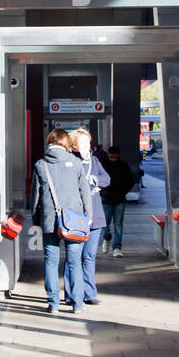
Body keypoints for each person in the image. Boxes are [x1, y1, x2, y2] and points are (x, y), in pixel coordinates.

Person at [30, 128, 91, 314]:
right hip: (74, 220)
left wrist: (36, 219)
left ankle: (53, 303)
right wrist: (87, 216)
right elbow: (85, 192)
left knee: (50, 261)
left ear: (49, 142)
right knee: (75, 261)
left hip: (50, 219)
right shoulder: (76, 162)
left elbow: (35, 197)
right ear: (66, 144)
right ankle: (77, 304)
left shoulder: (41, 165)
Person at [69, 128, 110, 306]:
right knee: (74, 256)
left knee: (89, 256)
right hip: (76, 216)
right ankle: (71, 294)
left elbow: (107, 179)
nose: (87, 146)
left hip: (96, 215)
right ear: (75, 145)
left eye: (88, 142)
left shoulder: (94, 161)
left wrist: (95, 179)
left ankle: (89, 292)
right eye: (83, 143)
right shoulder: (71, 162)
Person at [100, 145, 135, 257]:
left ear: (118, 156)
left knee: (118, 224)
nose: (113, 159)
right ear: (108, 156)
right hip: (106, 199)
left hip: (119, 199)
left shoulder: (123, 166)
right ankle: (106, 238)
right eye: (111, 157)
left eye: (115, 157)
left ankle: (117, 247)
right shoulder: (103, 165)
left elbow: (130, 181)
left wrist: (123, 191)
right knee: (105, 224)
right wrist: (102, 192)